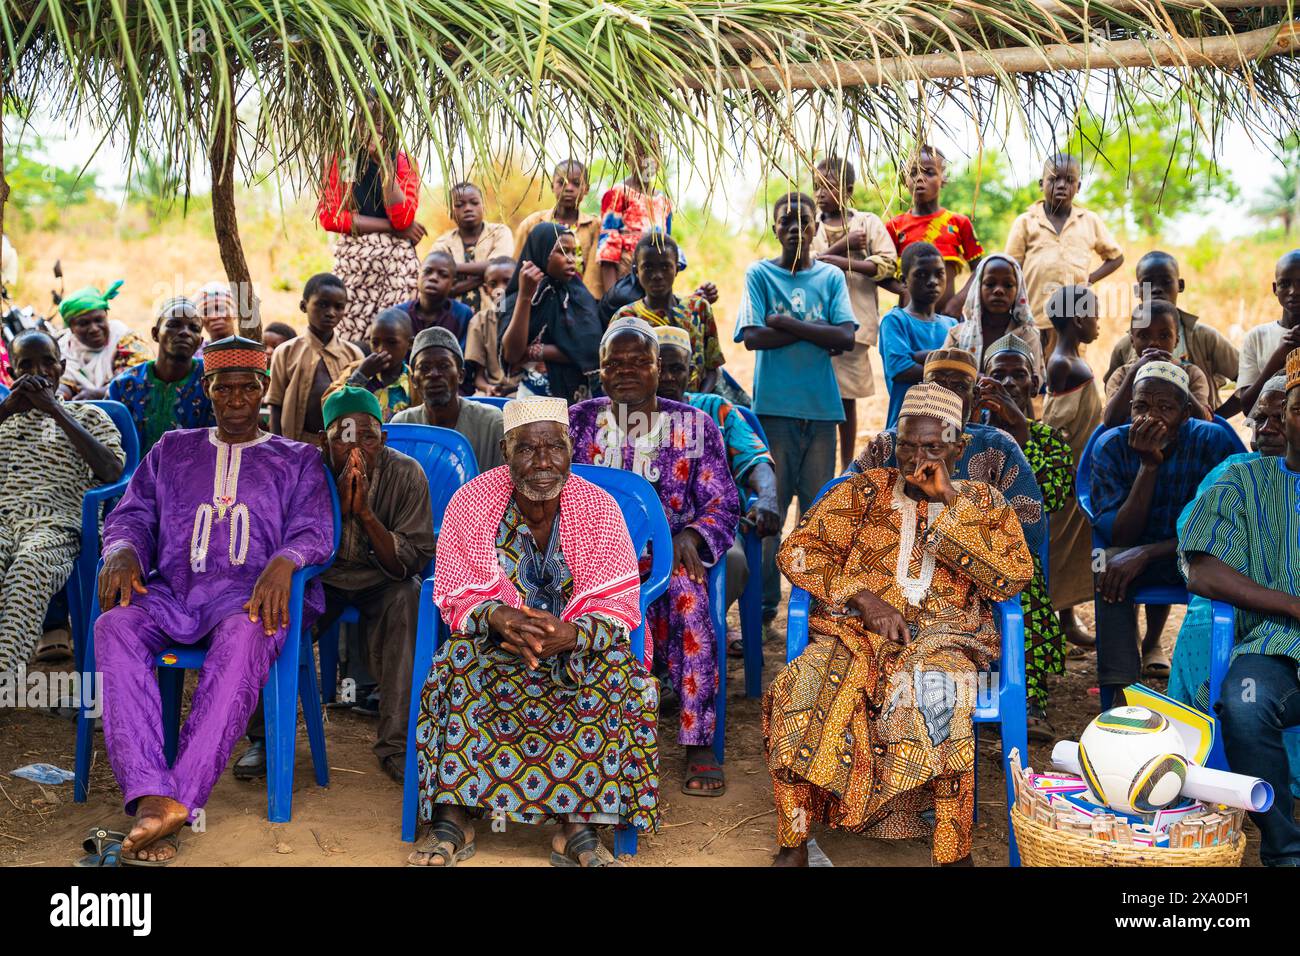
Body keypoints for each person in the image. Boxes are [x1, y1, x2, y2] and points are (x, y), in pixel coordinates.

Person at [765, 383, 1033, 867]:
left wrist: (949, 501)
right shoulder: (861, 491)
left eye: (932, 447)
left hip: (945, 638)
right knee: (797, 689)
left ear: (957, 447)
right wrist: (860, 596)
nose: (916, 458)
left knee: (936, 696)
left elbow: (1010, 580)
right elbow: (798, 550)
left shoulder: (985, 504)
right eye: (907, 444)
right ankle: (794, 842)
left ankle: (953, 853)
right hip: (856, 634)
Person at [94, 336, 334, 864]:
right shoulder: (172, 449)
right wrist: (122, 547)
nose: (235, 400)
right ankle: (152, 791)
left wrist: (286, 559)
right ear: (207, 391)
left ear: (263, 389)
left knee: (249, 632)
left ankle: (175, 801)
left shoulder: (297, 460)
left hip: (250, 601)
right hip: (174, 592)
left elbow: (316, 529)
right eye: (223, 389)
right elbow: (132, 514)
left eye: (247, 388)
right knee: (113, 627)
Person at [410, 397, 658, 867]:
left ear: (571, 449)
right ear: (506, 453)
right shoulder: (472, 502)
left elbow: (619, 602)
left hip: (577, 643)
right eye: (527, 449)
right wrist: (497, 617)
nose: (543, 462)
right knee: (456, 664)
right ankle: (454, 817)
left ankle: (578, 828)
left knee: (614, 673)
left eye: (554, 448)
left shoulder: (599, 509)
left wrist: (573, 634)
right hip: (500, 644)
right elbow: (454, 590)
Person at [570, 317, 740, 796]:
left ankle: (697, 742)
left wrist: (693, 532)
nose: (625, 371)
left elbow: (723, 503)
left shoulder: (693, 425)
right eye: (614, 363)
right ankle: (581, 737)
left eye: (638, 361)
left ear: (658, 367)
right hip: (590, 563)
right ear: (599, 372)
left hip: (662, 564)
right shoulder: (577, 422)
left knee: (690, 599)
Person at [234, 387, 435, 784]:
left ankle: (395, 744)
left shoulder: (406, 473)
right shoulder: (303, 471)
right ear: (324, 442)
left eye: (368, 437)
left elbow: (411, 561)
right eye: (343, 438)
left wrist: (365, 515)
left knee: (408, 599)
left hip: (382, 578)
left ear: (385, 438)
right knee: (271, 611)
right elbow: (283, 544)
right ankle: (262, 737)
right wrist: (338, 512)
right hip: (320, 577)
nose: (357, 448)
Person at [1181, 348, 1300, 866]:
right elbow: (1204, 569)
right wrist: (1293, 606)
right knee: (1246, 703)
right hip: (1274, 648)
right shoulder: (1244, 479)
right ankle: (1285, 850)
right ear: (1287, 415)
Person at [1088, 361, 1239, 708]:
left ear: (1186, 414)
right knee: (1105, 563)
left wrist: (1147, 553)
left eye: (1165, 407)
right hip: (1134, 553)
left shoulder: (1212, 442)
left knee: (1227, 568)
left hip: (1201, 554)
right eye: (1141, 406)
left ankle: (1210, 690)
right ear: (1130, 408)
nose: (1150, 417)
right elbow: (1120, 534)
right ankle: (1119, 694)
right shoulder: (1111, 446)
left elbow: (1225, 528)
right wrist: (1148, 467)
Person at [0, 330, 125, 674]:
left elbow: (112, 470)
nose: (38, 372)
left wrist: (56, 411)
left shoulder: (88, 417)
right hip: (4, 518)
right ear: (12, 373)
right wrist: (7, 409)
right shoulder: (4, 418)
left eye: (47, 363)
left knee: (29, 568)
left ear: (62, 366)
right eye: (26, 365)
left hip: (56, 523)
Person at [735, 191, 856, 532]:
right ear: (774, 228)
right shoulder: (760, 274)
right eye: (786, 221)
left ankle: (807, 589)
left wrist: (785, 322)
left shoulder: (830, 277)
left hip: (822, 411)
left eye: (804, 221)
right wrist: (819, 330)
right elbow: (753, 338)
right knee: (770, 514)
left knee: (816, 520)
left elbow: (846, 337)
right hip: (773, 411)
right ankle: (770, 590)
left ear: (815, 227)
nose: (795, 228)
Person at [853, 348, 1047, 559]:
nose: (945, 394)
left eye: (959, 386)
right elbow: (843, 507)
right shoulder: (886, 445)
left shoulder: (998, 447)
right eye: (936, 385)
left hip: (981, 579)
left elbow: (1028, 536)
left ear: (975, 397)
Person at [655, 326, 780, 654]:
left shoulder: (715, 409)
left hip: (715, 529)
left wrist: (767, 498)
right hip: (650, 533)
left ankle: (703, 631)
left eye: (676, 368)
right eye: (659, 367)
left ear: (692, 373)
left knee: (735, 563)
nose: (667, 376)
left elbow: (756, 460)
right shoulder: (629, 417)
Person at [976, 334, 1074, 741]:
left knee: (1025, 592)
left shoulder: (1051, 441)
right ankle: (976, 696)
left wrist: (1019, 429)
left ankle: (1028, 699)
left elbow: (1048, 497)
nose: (1010, 383)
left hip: (1018, 559)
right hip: (965, 553)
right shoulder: (966, 437)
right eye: (999, 375)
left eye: (1019, 375)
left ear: (1036, 384)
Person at [1171, 373, 1287, 710]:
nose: (1265, 429)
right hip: (1232, 604)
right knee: (1206, 622)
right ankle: (1213, 739)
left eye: (1279, 418)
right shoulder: (1232, 473)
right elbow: (1203, 565)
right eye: (1259, 419)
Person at [810, 156, 898, 468]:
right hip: (815, 327)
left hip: (853, 327)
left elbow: (888, 262)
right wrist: (845, 247)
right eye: (816, 186)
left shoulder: (868, 223)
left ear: (847, 189)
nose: (820, 193)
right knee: (819, 400)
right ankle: (821, 463)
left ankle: (846, 464)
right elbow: (802, 264)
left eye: (829, 186)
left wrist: (837, 260)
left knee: (846, 402)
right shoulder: (810, 224)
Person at [317, 95, 425, 342]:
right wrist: (390, 228)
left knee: (395, 333)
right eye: (367, 116)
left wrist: (384, 165)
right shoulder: (344, 158)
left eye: (382, 117)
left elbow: (403, 219)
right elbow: (330, 217)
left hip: (397, 261)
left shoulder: (403, 162)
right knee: (347, 336)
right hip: (355, 259)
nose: (375, 124)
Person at [1004, 153, 1124, 358]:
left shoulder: (1089, 221)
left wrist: (1089, 280)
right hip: (1033, 318)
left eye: (1069, 180)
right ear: (1042, 184)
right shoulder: (1026, 221)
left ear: (1078, 187)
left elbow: (1116, 257)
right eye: (1054, 179)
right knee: (1033, 376)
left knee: (1069, 376)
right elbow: (1010, 268)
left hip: (1072, 322)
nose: (1061, 185)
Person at [1042, 285, 1104, 649]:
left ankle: (1067, 619)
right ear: (1079, 319)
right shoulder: (1063, 364)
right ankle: (1051, 620)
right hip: (1067, 474)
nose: (1098, 324)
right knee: (1058, 546)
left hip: (1082, 469)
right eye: (1094, 315)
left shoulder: (1071, 358)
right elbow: (1055, 424)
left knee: (1074, 547)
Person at [1105, 251, 1240, 418]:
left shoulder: (1205, 337)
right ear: (1137, 290)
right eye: (1147, 283)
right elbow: (1112, 401)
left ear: (1180, 285)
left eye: (1166, 282)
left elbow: (1247, 379)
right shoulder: (1124, 346)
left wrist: (1216, 418)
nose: (1156, 290)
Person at [499, 222, 601, 403]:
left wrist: (538, 351)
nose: (571, 259)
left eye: (573, 252)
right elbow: (513, 354)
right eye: (562, 251)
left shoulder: (579, 296)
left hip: (578, 396)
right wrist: (525, 296)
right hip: (532, 397)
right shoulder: (514, 297)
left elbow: (591, 349)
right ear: (541, 251)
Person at [611, 233, 725, 394]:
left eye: (665, 267)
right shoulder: (626, 318)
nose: (657, 275)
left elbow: (712, 367)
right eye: (648, 267)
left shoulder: (699, 309)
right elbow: (616, 373)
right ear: (636, 271)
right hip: (645, 411)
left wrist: (697, 403)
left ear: (677, 269)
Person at [107, 297, 215, 454]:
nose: (185, 332)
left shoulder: (213, 381)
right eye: (174, 325)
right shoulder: (123, 386)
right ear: (155, 334)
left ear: (200, 342)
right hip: (135, 476)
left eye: (194, 328)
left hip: (196, 475)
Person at [884, 145, 983, 316]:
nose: (920, 179)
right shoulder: (894, 226)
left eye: (929, 172)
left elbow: (980, 268)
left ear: (943, 178)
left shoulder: (959, 223)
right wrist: (903, 291)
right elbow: (879, 270)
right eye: (913, 173)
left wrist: (958, 301)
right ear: (905, 179)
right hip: (908, 320)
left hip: (948, 317)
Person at [267, 274, 364, 445]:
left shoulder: (353, 354)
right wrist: (278, 447)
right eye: (323, 305)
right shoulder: (286, 352)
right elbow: (276, 404)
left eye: (338, 307)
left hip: (341, 445)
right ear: (304, 306)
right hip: (297, 443)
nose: (331, 313)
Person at [391, 326, 505, 470]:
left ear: (461, 375)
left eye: (444, 366)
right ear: (413, 380)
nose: (433, 374)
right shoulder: (403, 425)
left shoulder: (492, 423)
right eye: (424, 368)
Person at [879, 241, 959, 429]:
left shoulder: (952, 325)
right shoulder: (895, 320)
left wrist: (920, 357)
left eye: (939, 273)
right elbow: (901, 369)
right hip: (906, 428)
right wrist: (949, 366)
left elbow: (965, 371)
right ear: (904, 280)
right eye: (921, 275)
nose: (932, 281)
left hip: (947, 428)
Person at [1102, 299, 1214, 427]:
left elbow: (1201, 421)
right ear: (1132, 341)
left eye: (1164, 336)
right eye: (1144, 336)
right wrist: (1134, 372)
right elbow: (1110, 420)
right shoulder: (1122, 375)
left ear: (1176, 340)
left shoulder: (1191, 374)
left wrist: (1173, 376)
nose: (1154, 343)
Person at [942, 253, 1045, 381]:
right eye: (990, 284)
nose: (999, 291)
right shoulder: (957, 334)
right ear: (978, 288)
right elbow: (942, 372)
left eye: (1008, 285)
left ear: (1018, 291)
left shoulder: (1027, 336)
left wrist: (969, 376)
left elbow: (1033, 382)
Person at [514, 159, 603, 295]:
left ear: (586, 189)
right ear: (552, 186)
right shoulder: (533, 223)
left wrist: (585, 301)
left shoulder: (595, 226)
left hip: (578, 298)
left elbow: (593, 274)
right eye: (562, 183)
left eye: (576, 183)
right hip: (536, 297)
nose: (568, 188)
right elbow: (517, 263)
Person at [56, 280, 151, 400]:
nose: (94, 329)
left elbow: (138, 377)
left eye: (98, 320)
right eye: (84, 323)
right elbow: (63, 383)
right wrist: (60, 396)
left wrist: (99, 394)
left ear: (106, 316)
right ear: (71, 328)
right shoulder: (64, 348)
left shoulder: (125, 339)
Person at [597, 143, 672, 294]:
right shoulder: (617, 194)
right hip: (626, 279)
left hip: (655, 283)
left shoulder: (664, 202)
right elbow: (608, 250)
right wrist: (612, 297)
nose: (648, 160)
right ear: (627, 158)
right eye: (641, 154)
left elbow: (668, 249)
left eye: (654, 153)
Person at [431, 182, 514, 316]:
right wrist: (485, 276)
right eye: (459, 205)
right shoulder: (442, 244)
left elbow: (499, 266)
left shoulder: (500, 232)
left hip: (497, 312)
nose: (468, 208)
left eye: (474, 202)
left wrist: (451, 268)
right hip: (454, 319)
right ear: (450, 212)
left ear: (483, 206)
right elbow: (443, 287)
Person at [1235, 250, 1300, 418]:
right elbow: (1248, 407)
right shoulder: (1257, 338)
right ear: (1274, 288)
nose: (1294, 291)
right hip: (1268, 440)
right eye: (1285, 284)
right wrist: (1280, 356)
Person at [324, 307, 414, 420]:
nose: (381, 350)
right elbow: (328, 406)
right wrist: (360, 376)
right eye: (375, 343)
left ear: (410, 344)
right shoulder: (354, 371)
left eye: (392, 342)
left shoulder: (414, 381)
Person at [463, 256, 520, 397]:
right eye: (493, 284)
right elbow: (479, 377)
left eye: (507, 281)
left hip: (525, 390)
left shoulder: (532, 316)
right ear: (486, 289)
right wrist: (488, 388)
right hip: (495, 392)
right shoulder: (479, 321)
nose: (500, 289)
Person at [395, 250, 475, 344]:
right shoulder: (400, 314)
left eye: (443, 275)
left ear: (453, 284)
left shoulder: (462, 314)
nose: (433, 278)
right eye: (427, 272)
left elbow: (463, 354)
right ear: (418, 275)